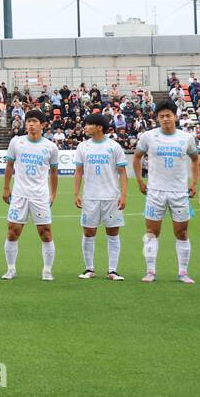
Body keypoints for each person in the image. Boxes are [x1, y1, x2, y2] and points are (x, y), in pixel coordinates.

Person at [133, 100, 199, 284]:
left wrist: (194, 182)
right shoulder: (148, 136)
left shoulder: (186, 138)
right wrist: (139, 180)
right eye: (161, 116)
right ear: (157, 118)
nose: (165, 119)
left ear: (175, 116)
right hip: (155, 192)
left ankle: (183, 272)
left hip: (179, 193)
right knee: (151, 232)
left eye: (168, 115)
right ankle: (150, 271)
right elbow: (137, 158)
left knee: (182, 232)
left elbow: (195, 159)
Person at [1, 111, 60, 280]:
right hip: (19, 195)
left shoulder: (50, 147)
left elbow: (54, 172)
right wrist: (6, 188)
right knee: (12, 232)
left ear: (42, 125)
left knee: (46, 233)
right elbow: (9, 166)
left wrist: (53, 193)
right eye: (28, 121)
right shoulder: (16, 142)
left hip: (40, 196)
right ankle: (11, 269)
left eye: (34, 121)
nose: (30, 124)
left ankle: (47, 270)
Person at [72, 113, 128, 281]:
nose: (86, 127)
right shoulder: (83, 147)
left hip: (111, 196)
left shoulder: (114, 146)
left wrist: (124, 195)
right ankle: (89, 269)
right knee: (89, 232)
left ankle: (113, 270)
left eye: (89, 124)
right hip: (90, 196)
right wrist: (76, 193)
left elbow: (123, 173)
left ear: (99, 127)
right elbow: (78, 171)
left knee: (112, 232)